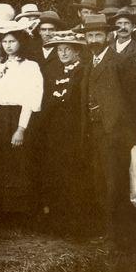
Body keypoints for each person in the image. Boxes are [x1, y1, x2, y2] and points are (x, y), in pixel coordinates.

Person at [82, 12, 136, 239]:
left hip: (115, 133)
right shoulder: (89, 63)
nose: (94, 40)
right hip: (94, 131)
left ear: (109, 36)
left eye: (98, 34)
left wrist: (130, 128)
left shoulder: (121, 62)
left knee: (114, 181)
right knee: (99, 179)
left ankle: (118, 233)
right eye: (90, 36)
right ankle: (107, 230)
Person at [0, 22, 45, 223]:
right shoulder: (2, 66)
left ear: (21, 42)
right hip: (2, 116)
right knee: (1, 163)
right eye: (5, 42)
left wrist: (21, 128)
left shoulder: (30, 66)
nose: (8, 45)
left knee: (19, 163)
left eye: (12, 41)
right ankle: (1, 213)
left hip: (20, 116)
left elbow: (31, 98)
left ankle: (21, 214)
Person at [35, 30, 88, 223]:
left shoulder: (83, 71)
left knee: (73, 172)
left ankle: (74, 220)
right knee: (55, 171)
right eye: (59, 50)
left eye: (67, 49)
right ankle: (57, 218)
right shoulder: (52, 73)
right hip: (55, 130)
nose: (63, 53)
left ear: (77, 52)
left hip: (74, 129)